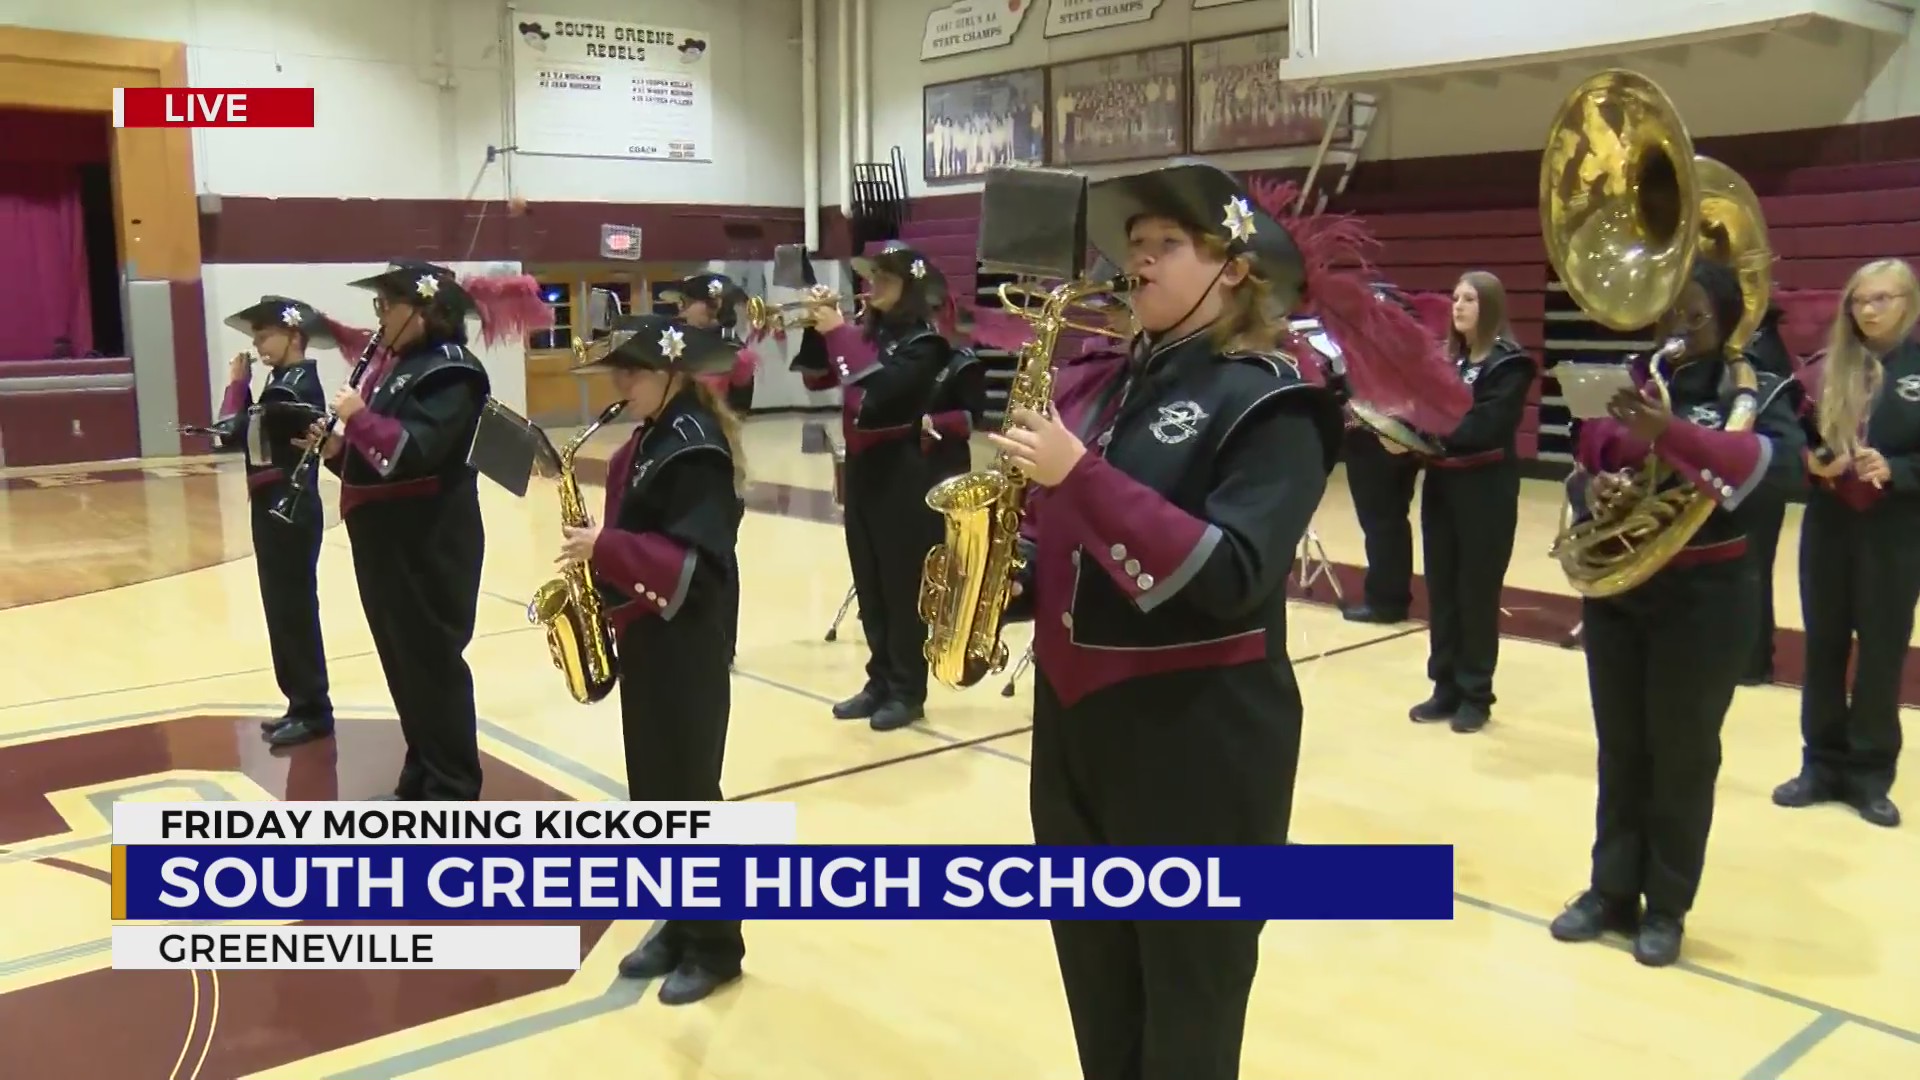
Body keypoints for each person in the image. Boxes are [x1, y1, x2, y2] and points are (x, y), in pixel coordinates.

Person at [990, 162, 1465, 1080]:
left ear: (1235, 266)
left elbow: (1233, 574)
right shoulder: (1114, 386)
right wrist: (1006, 575)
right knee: (1098, 989)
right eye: (1133, 248)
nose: (1139, 264)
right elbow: (1091, 545)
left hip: (1198, 750)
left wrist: (1077, 477)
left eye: (1165, 245)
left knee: (1189, 1010)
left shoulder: (1273, 399)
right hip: (1080, 735)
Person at [1548, 258, 1805, 966]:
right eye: (1669, 315)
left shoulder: (1753, 384)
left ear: (1726, 318)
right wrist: (1594, 486)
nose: (1679, 328)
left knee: (1683, 757)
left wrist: (1671, 434)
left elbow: (1776, 471)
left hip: (1706, 600)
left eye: (1695, 316)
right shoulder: (1635, 379)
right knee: (1621, 747)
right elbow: (1592, 446)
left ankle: (1666, 905)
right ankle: (1610, 891)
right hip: (1624, 590)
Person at [303, 258, 548, 800]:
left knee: (432, 668)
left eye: (388, 306)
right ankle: (423, 774)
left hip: (429, 544)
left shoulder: (452, 370)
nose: (380, 317)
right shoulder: (398, 366)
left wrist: (361, 417)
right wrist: (338, 447)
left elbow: (416, 451)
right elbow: (376, 460)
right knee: (403, 667)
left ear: (424, 311)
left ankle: (453, 785)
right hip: (387, 542)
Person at [561, 313, 750, 1004]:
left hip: (687, 641)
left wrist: (602, 549)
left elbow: (688, 567)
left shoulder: (694, 450)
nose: (621, 382)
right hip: (649, 638)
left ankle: (717, 943)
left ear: (671, 372)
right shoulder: (648, 438)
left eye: (633, 371)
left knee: (691, 794)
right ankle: (678, 917)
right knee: (655, 792)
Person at [1772, 257, 1919, 829]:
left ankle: (1870, 773)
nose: (1868, 310)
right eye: (1859, 300)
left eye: (1882, 299)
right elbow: (1788, 446)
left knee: (1883, 650)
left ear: (1908, 304)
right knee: (1825, 645)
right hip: (1830, 525)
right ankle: (1821, 764)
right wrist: (1812, 462)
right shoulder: (1823, 370)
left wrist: (1899, 469)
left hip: (1896, 530)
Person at [790, 243, 954, 732]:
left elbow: (878, 390)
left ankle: (908, 689)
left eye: (885, 277)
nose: (871, 284)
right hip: (862, 469)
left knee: (902, 585)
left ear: (912, 288)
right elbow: (819, 380)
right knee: (870, 581)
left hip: (903, 470)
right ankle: (879, 679)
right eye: (871, 275)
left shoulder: (927, 344)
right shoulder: (870, 334)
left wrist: (838, 329)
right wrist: (818, 330)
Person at [1392, 271, 1537, 733]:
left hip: (1485, 492)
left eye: (1469, 299)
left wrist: (1425, 427)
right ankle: (1445, 687)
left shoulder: (1510, 365)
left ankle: (1476, 691)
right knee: (1443, 588)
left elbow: (1483, 428)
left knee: (1476, 592)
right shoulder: (1446, 361)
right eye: (1455, 298)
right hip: (1441, 486)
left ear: (1489, 306)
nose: (1457, 306)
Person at [210, 296, 357, 747]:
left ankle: (313, 707)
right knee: (283, 608)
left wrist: (237, 386)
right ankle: (300, 702)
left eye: (263, 335)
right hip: (273, 506)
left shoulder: (292, 387)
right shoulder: (280, 383)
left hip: (288, 509)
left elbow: (227, 434)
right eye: (254, 337)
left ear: (294, 335)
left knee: (291, 608)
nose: (256, 344)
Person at [662, 270, 754, 665]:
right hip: (676, 456)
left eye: (688, 302)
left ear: (715, 305)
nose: (680, 309)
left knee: (720, 554)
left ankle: (723, 642)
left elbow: (738, 412)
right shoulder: (680, 345)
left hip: (716, 459)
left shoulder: (733, 354)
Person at [1738, 302, 1797, 685]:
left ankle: (1754, 660)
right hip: (1740, 475)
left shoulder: (1763, 349)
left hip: (1759, 478)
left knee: (1753, 570)